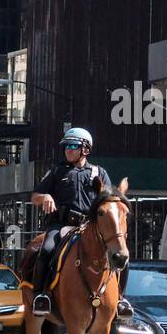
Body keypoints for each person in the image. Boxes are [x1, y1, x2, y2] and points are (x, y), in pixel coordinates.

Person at [27, 127, 132, 319]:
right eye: (66, 146)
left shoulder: (99, 172)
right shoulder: (57, 171)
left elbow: (110, 199)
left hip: (90, 226)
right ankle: (40, 296)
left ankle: (120, 300)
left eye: (73, 145)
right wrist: (45, 197)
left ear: (86, 149)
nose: (68, 149)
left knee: (122, 255)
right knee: (47, 249)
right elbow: (34, 196)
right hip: (61, 224)